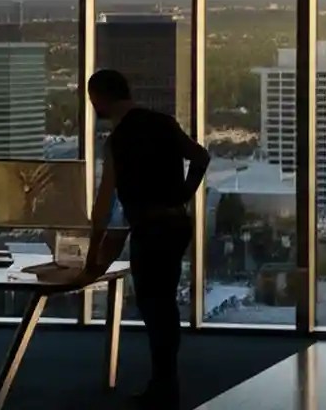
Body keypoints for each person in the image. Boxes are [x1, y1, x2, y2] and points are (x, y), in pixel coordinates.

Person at [87, 69, 210, 409]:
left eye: (92, 99)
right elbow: (201, 157)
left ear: (100, 96)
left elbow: (104, 201)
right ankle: (165, 380)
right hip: (175, 226)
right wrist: (184, 193)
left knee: (154, 308)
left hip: (149, 229)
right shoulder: (163, 123)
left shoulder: (117, 140)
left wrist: (93, 252)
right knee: (164, 305)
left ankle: (164, 384)